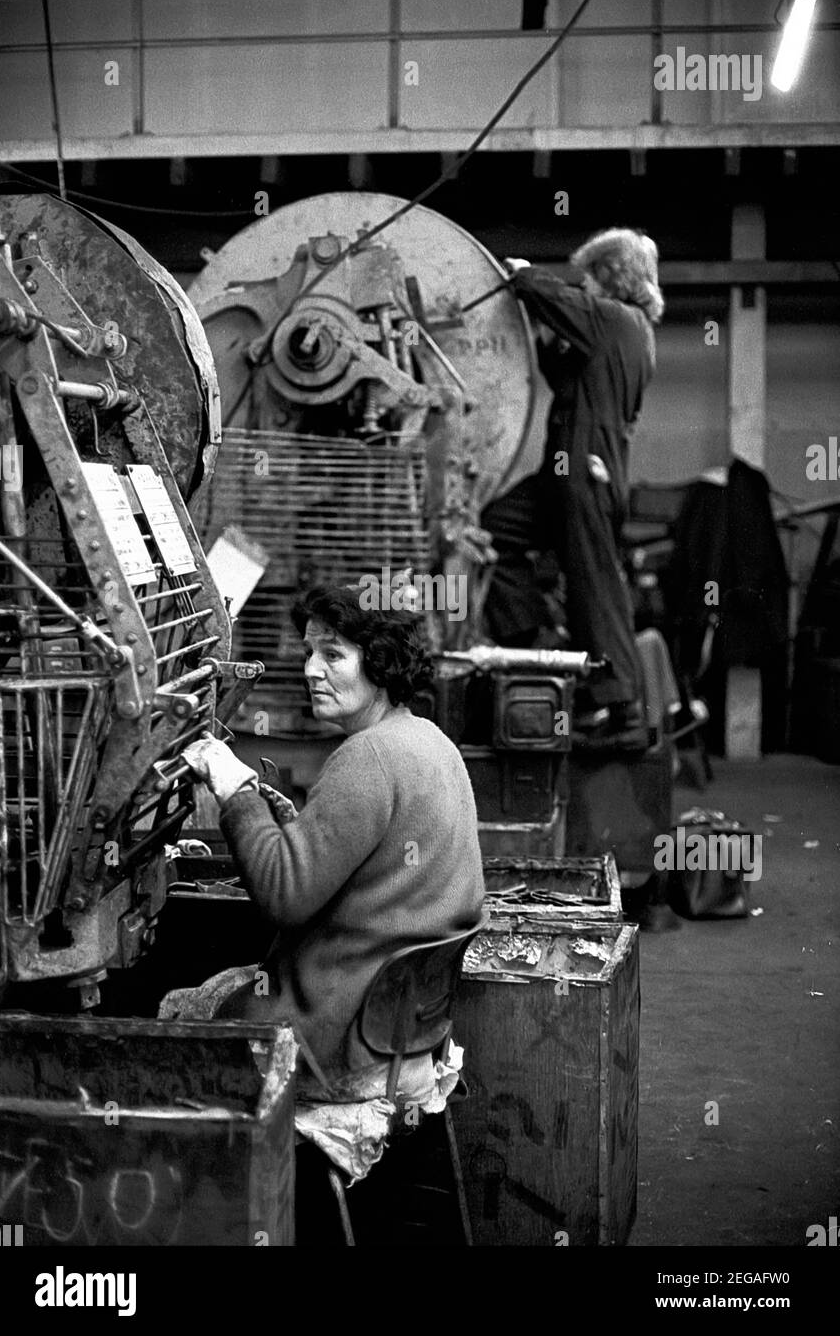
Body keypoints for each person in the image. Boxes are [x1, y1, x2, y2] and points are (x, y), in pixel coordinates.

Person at [182, 584, 485, 1089]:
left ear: (381, 665)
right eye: (308, 653)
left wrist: (235, 792)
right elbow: (368, 855)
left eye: (333, 655)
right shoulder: (431, 742)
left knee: (177, 1015)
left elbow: (284, 897)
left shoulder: (367, 758)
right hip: (400, 1033)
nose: (310, 669)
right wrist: (289, 821)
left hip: (334, 1042)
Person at [497, 228, 664, 748]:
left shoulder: (617, 320)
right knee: (490, 531)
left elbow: (558, 299)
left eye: (591, 276)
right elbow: (566, 374)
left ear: (611, 278)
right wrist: (543, 332)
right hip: (563, 473)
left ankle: (626, 716)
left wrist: (523, 275)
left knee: (595, 585)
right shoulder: (617, 333)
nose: (585, 285)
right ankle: (535, 639)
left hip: (586, 472)